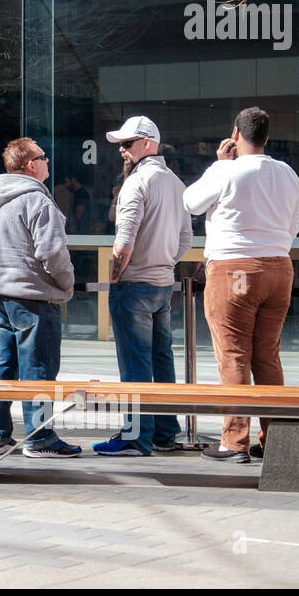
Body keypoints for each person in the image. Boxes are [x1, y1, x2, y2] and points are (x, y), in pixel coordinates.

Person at [183, 107, 299, 463]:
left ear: (236, 134)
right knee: (268, 356)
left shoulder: (227, 171)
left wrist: (218, 164)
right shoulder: (288, 173)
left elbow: (190, 202)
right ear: (266, 135)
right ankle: (272, 439)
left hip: (234, 267)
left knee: (233, 354)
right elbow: (294, 221)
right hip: (279, 267)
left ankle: (233, 442)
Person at [93, 117, 191, 457]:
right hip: (162, 283)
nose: (121, 149)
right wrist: (164, 262)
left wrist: (116, 278)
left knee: (135, 365)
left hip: (134, 283)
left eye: (128, 143)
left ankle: (137, 437)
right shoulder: (176, 184)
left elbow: (124, 242)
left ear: (148, 143)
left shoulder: (137, 184)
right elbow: (185, 239)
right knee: (161, 360)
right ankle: (164, 431)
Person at [0, 137, 77, 458]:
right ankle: (39, 438)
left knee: (2, 365)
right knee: (39, 367)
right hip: (33, 295)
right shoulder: (38, 201)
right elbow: (51, 252)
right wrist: (67, 283)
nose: (48, 161)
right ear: (31, 165)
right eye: (43, 157)